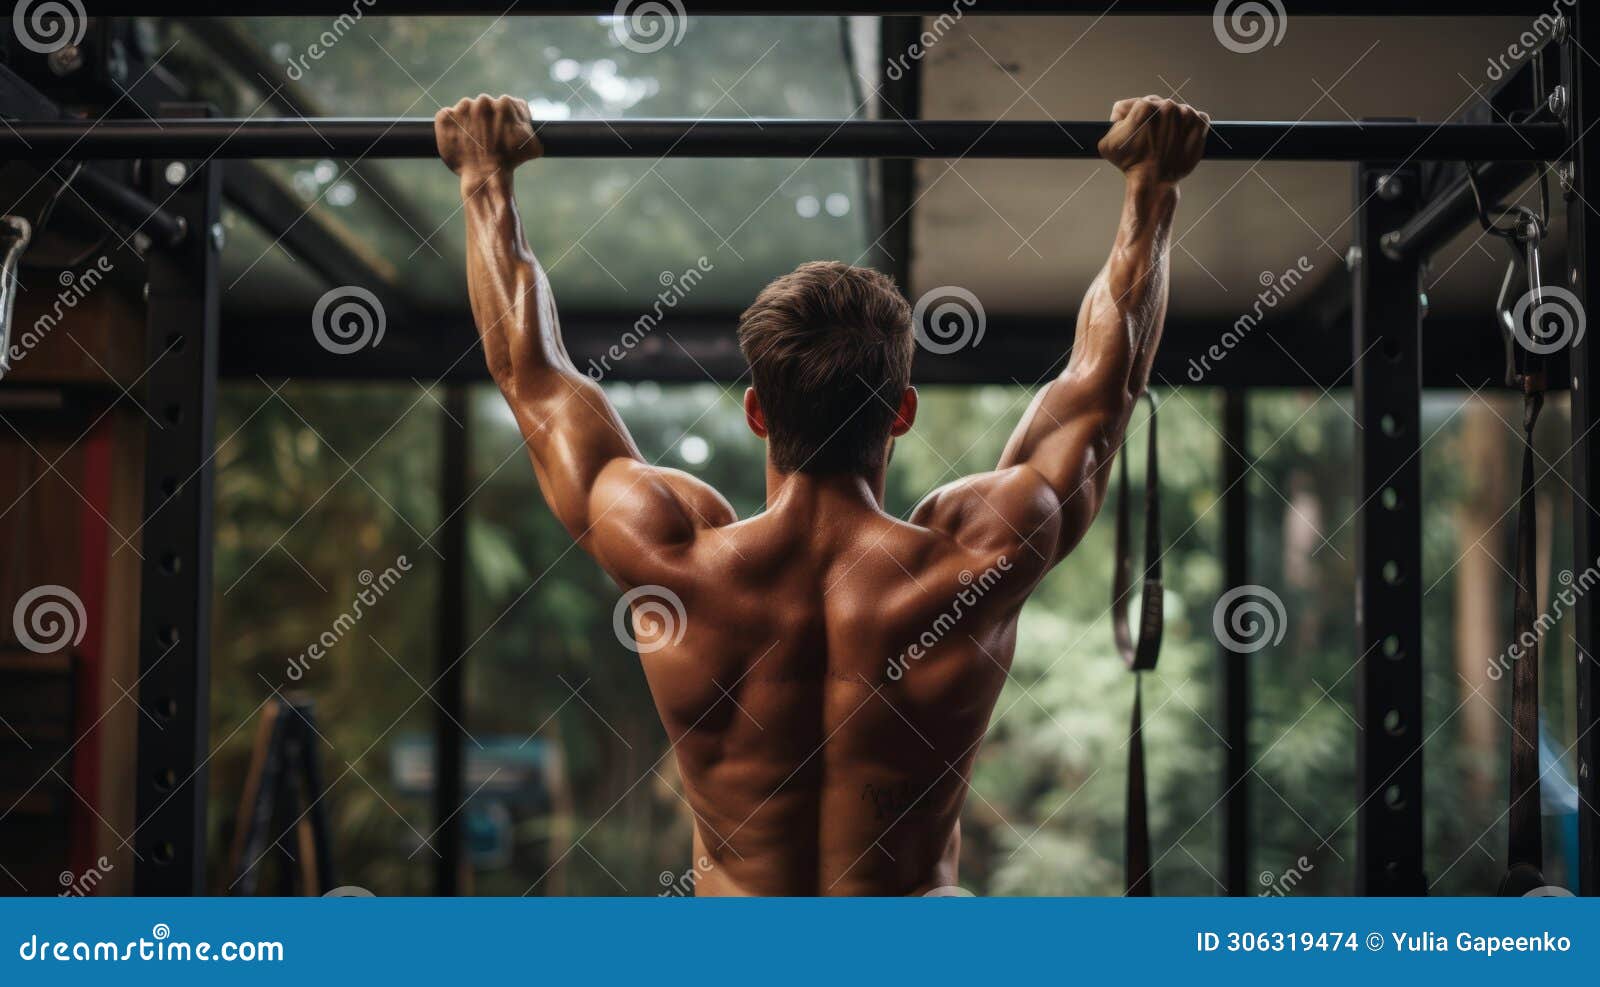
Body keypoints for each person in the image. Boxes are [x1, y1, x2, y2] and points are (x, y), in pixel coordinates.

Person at [435, 93, 1209, 895]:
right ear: (901, 411)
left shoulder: (674, 553)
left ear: (756, 411)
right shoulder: (975, 555)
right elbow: (1101, 390)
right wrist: (1151, 188)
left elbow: (532, 377)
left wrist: (485, 178)